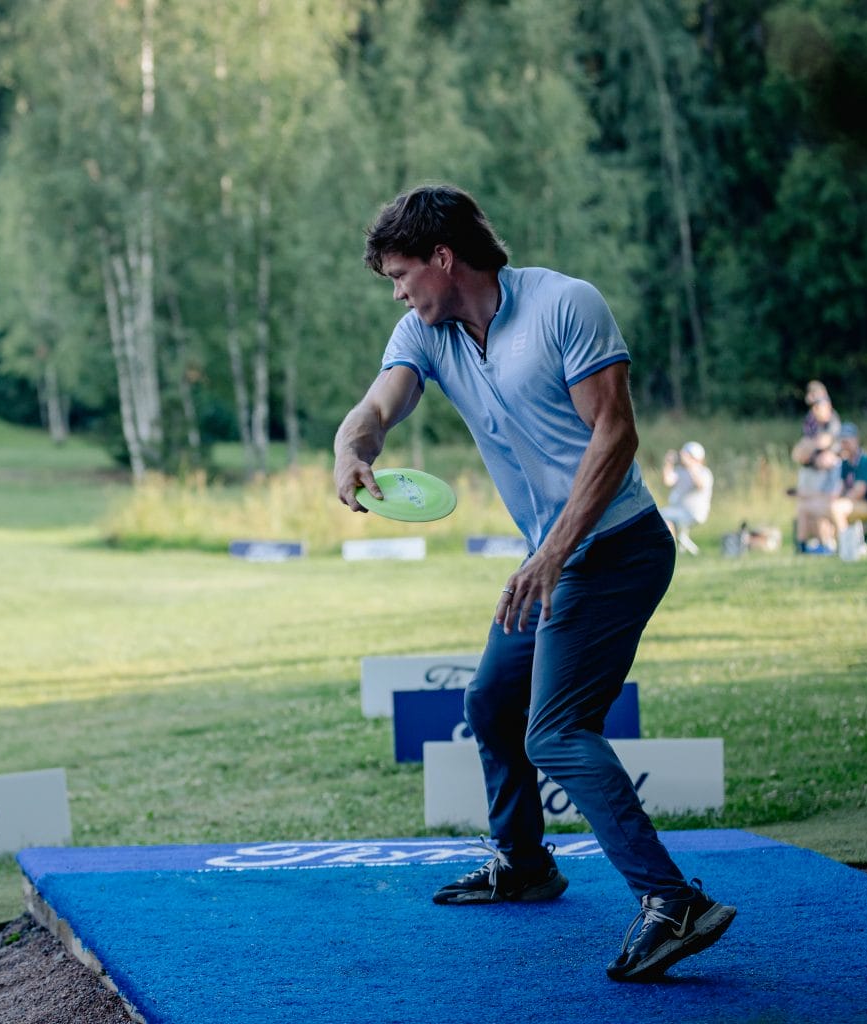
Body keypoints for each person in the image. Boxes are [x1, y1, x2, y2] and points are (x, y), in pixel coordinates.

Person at [333, 185, 734, 982]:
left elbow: (615, 436)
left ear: (445, 258)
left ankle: (672, 902)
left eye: (404, 273)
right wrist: (351, 448)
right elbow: (378, 407)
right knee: (489, 702)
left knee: (554, 729)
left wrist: (552, 553)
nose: (399, 290)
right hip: (546, 558)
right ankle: (523, 864)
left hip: (616, 548)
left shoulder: (565, 306)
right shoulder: (427, 332)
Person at [659, 441, 713, 554]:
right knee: (659, 516)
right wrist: (668, 463)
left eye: (688, 455)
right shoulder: (680, 471)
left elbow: (699, 485)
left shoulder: (705, 473)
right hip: (679, 510)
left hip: (694, 513)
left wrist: (690, 465)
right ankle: (674, 549)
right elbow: (667, 481)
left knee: (662, 518)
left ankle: (669, 549)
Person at [830, 424, 867, 548]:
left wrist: (839, 501)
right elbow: (839, 488)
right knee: (827, 506)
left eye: (847, 440)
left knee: (837, 508)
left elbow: (859, 492)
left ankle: (847, 546)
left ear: (856, 440)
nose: (844, 444)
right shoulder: (845, 463)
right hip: (852, 503)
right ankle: (827, 544)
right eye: (842, 441)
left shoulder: (864, 461)